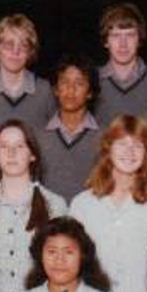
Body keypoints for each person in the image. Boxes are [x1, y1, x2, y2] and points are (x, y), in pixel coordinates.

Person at [70, 114, 147, 292]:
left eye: (137, 145)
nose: (129, 152)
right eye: (122, 144)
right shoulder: (82, 203)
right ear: (108, 148)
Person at [0, 119, 68, 292]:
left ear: (32, 155)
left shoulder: (55, 205)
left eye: (19, 146)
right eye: (4, 146)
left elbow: (65, 270)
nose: (11, 153)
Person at [36, 54, 103, 202]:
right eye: (64, 82)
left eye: (79, 83)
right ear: (55, 89)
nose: (70, 90)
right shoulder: (37, 137)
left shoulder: (105, 138)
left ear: (90, 92)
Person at [0, 13, 56, 126]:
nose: (16, 52)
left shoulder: (44, 90)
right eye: (9, 44)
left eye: (23, 45)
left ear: (30, 52)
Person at [93, 2, 147, 122]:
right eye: (115, 35)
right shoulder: (91, 80)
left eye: (130, 35)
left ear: (139, 39)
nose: (123, 44)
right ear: (105, 41)